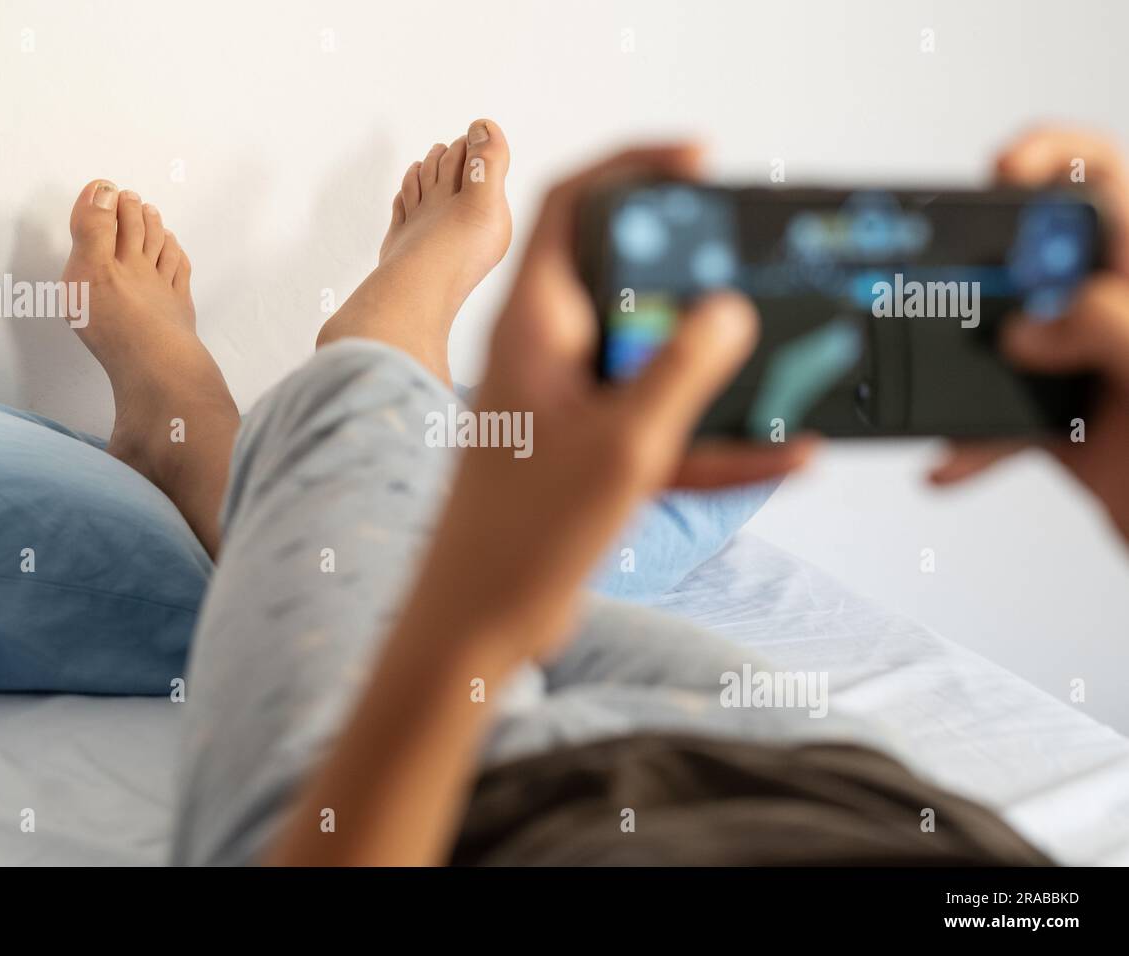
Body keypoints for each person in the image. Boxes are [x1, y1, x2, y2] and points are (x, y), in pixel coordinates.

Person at [58, 120, 1124, 866]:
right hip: (820, 788)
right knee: (460, 571)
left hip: (441, 822)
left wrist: (467, 626)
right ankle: (328, 414)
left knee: (381, 484)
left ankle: (219, 411)